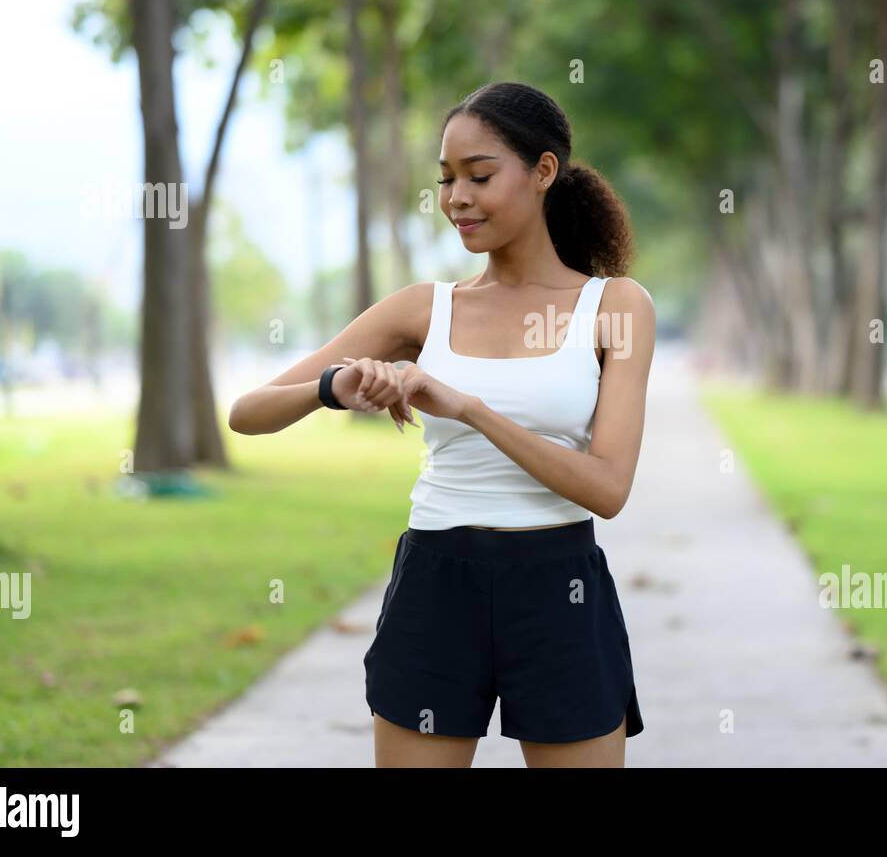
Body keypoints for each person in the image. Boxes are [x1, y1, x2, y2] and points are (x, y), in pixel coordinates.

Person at [228, 81, 656, 767]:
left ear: (544, 172)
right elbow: (247, 414)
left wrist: (470, 409)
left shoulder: (616, 307)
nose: (456, 197)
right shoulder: (423, 310)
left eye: (479, 176)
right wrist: (335, 387)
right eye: (446, 179)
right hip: (437, 586)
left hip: (560, 589)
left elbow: (607, 488)